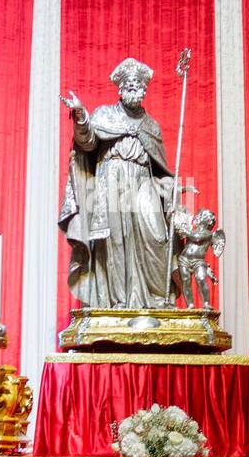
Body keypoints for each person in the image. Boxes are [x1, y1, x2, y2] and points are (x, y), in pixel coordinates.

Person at [58, 58, 179, 309]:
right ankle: (118, 303)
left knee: (156, 235)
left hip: (143, 181)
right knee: (115, 240)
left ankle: (156, 300)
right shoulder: (105, 115)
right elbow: (88, 142)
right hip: (111, 181)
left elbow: (161, 168)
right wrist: (80, 116)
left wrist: (171, 192)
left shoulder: (151, 125)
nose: (133, 86)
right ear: (120, 88)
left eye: (138, 83)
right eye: (128, 83)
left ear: (144, 89)